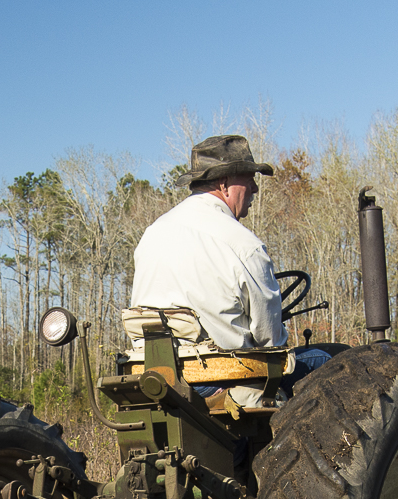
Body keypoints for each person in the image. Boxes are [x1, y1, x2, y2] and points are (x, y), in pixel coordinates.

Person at [130, 134, 329, 389]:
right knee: (327, 361)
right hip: (221, 378)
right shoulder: (243, 245)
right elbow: (270, 342)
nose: (255, 189)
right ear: (224, 185)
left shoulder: (153, 234)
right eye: (249, 180)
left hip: (157, 379)